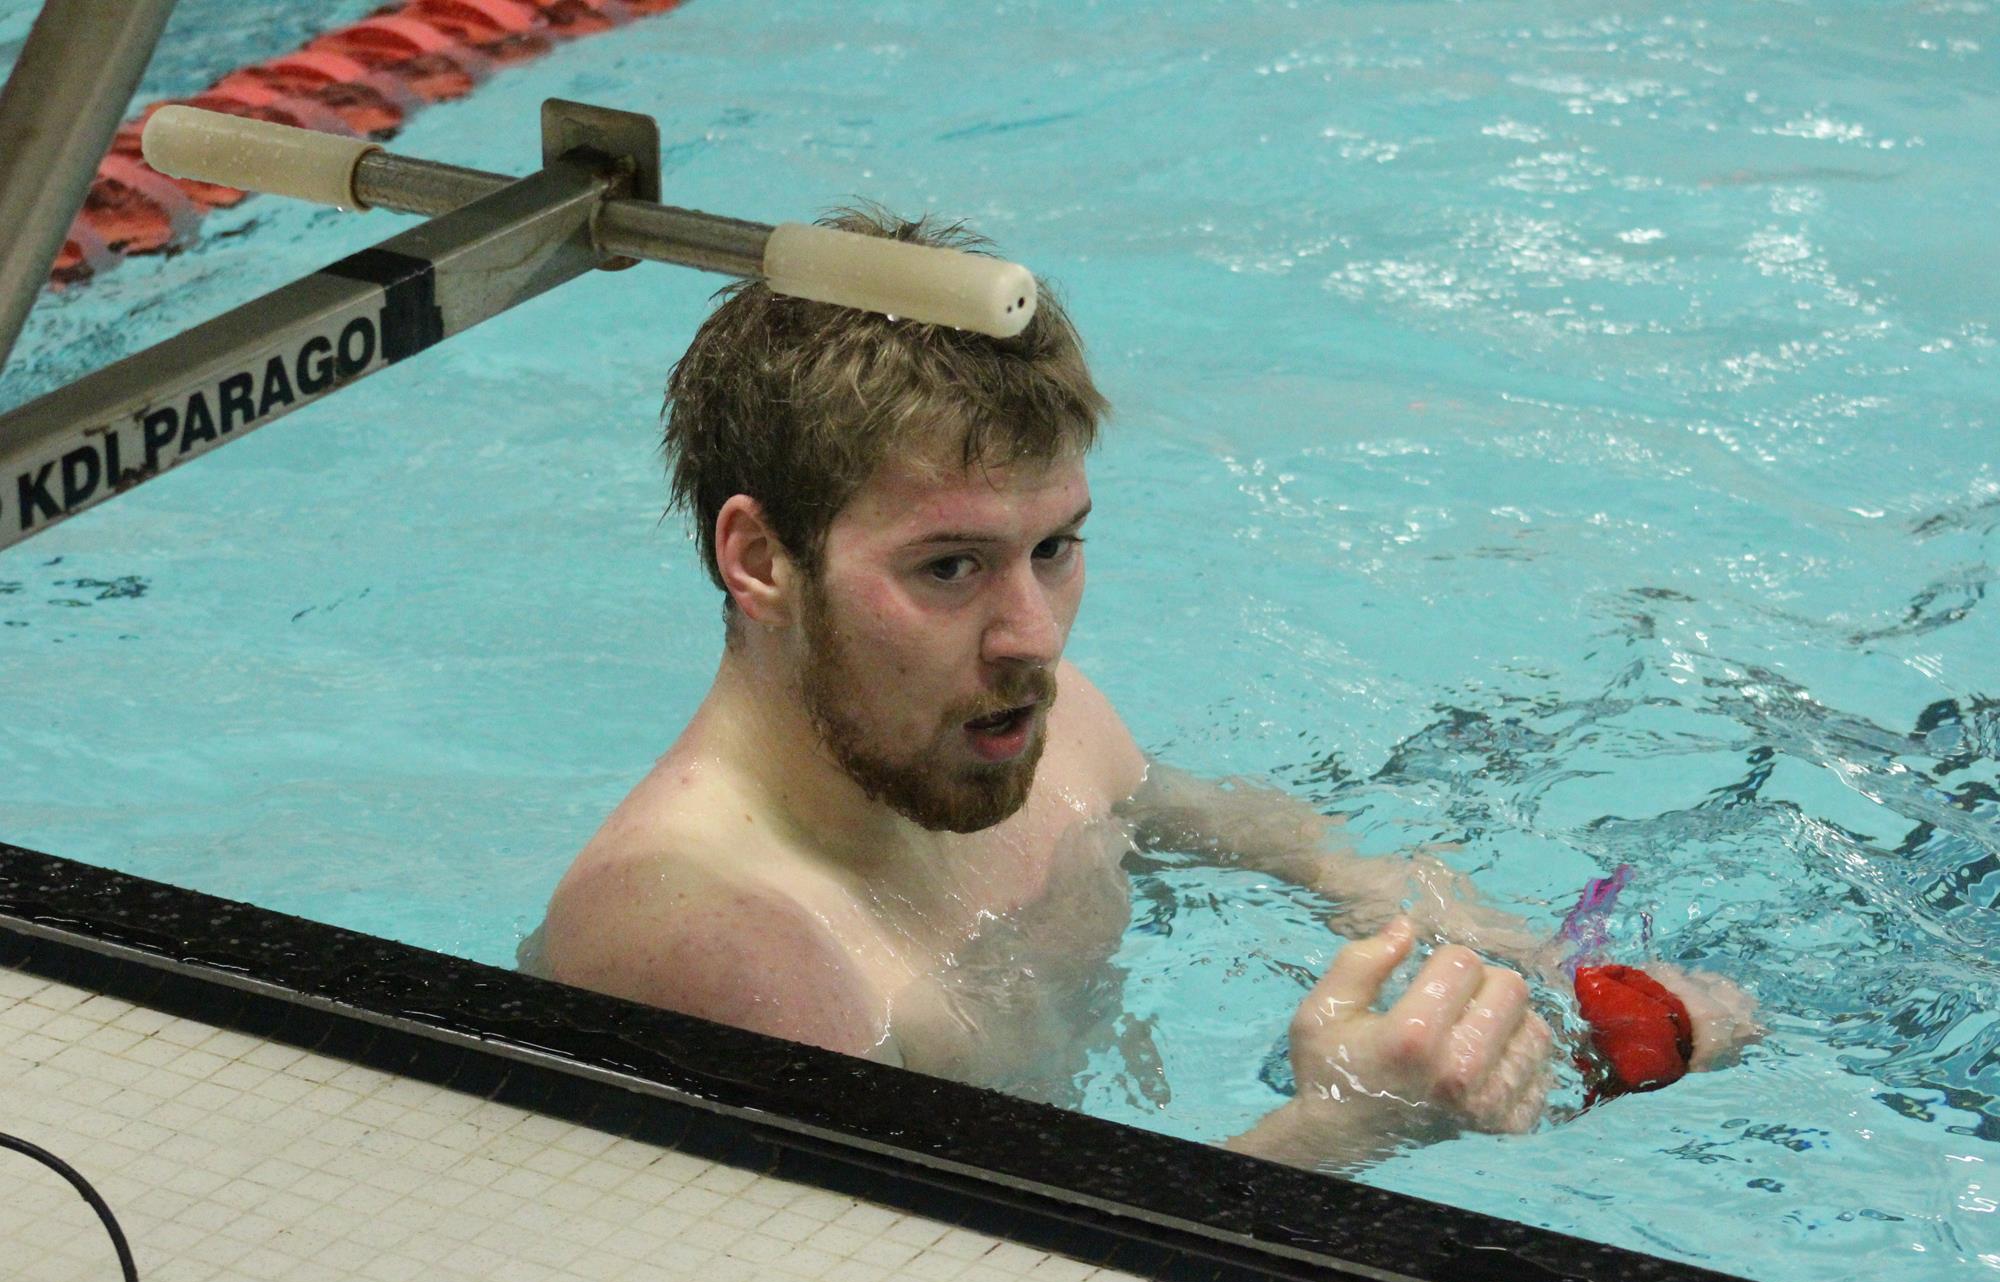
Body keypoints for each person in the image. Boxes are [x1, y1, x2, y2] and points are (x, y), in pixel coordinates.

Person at [519, 206, 1741, 1171]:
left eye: (1054, 547)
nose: (1032, 636)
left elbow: (1191, 818)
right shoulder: (719, 958)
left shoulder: (1013, 723)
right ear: (760, 559)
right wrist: (1345, 1126)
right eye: (948, 566)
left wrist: (1408, 910)